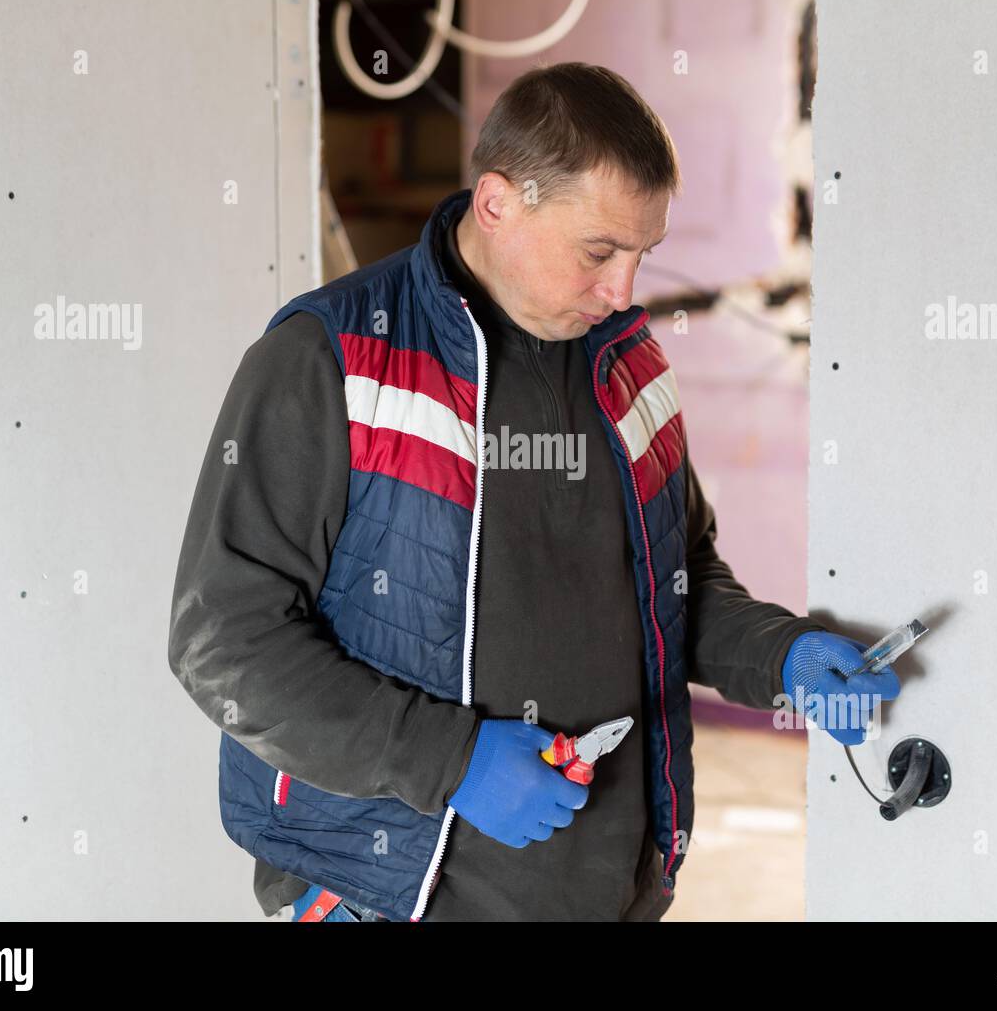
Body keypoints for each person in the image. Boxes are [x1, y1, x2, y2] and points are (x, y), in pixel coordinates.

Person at [167, 61, 897, 923]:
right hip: (387, 899)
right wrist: (454, 761)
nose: (625, 291)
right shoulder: (332, 362)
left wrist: (783, 656)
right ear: (498, 203)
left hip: (609, 895)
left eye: (641, 254)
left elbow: (674, 586)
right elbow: (223, 640)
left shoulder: (631, 365)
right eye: (600, 251)